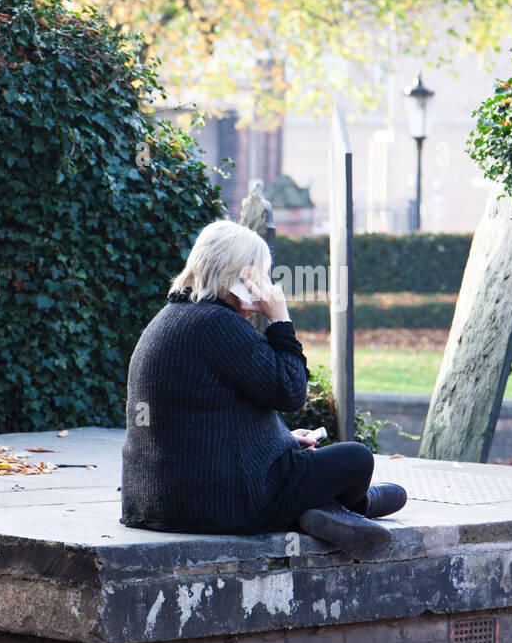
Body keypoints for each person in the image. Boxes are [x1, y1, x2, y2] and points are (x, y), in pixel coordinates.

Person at [119, 219, 406, 559]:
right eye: (260, 275)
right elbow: (290, 391)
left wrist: (283, 440)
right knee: (356, 458)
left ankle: (319, 510)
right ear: (239, 277)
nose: (266, 285)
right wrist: (280, 319)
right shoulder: (217, 324)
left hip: (151, 503)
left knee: (307, 456)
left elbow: (211, 417)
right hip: (223, 506)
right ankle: (350, 506)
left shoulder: (168, 318)